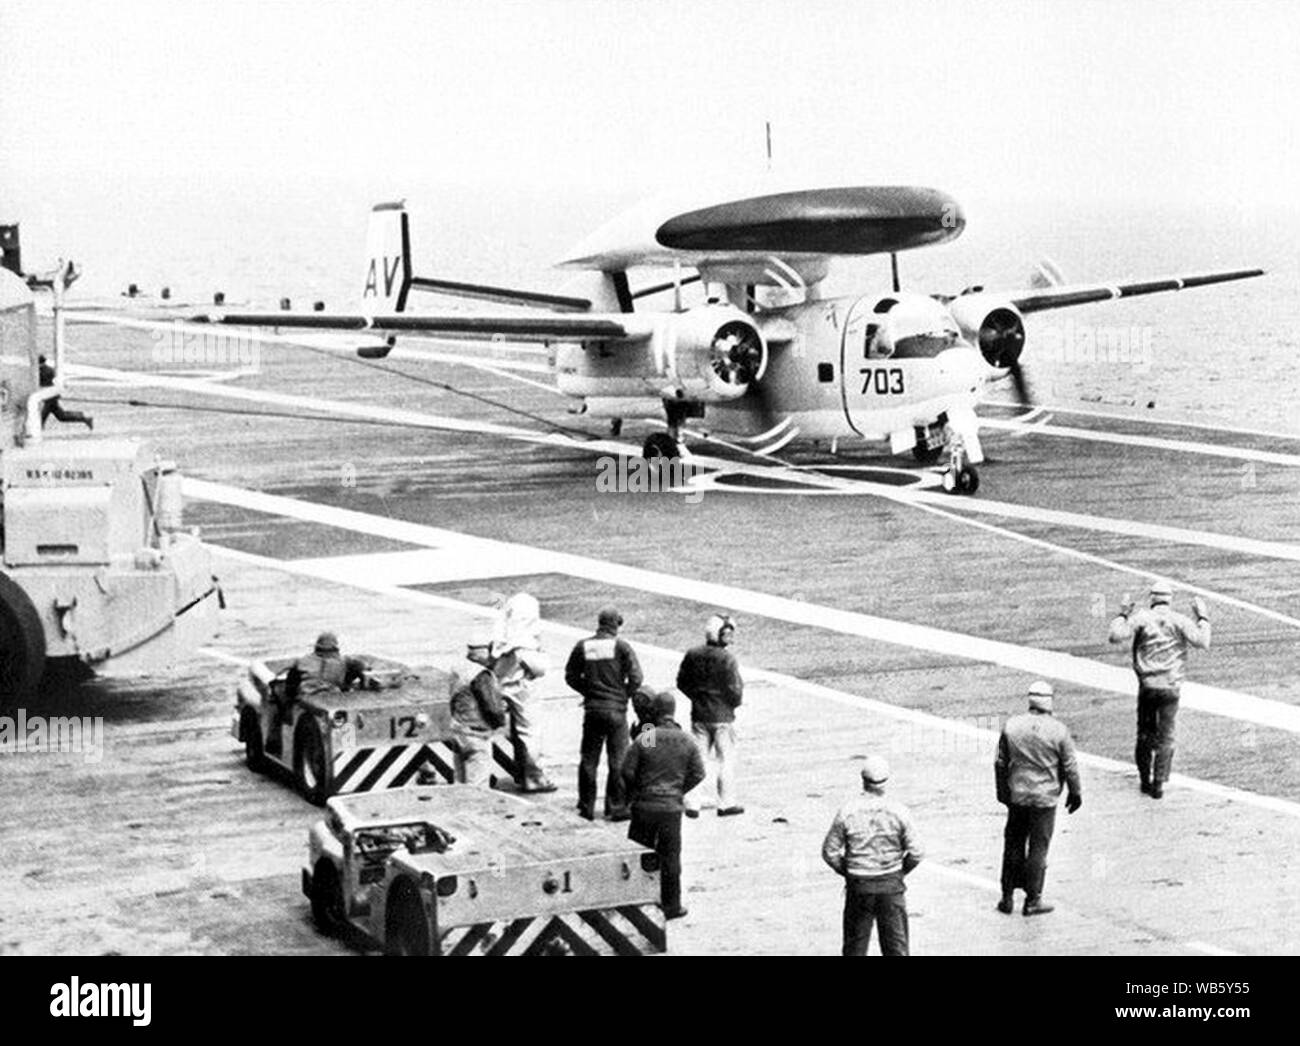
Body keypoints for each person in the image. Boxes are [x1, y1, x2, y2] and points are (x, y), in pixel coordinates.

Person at [1108, 581, 1211, 799]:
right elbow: (1203, 641)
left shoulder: (1142, 618)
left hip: (1147, 685)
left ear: (1151, 598)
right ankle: (1159, 782)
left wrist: (1122, 614)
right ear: (1170, 599)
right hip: (1171, 686)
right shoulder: (1180, 621)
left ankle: (1144, 778)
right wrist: (1203, 617)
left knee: (1144, 735)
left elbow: (1116, 635)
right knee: (1166, 736)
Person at [994, 681, 1082, 916]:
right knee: (1038, 848)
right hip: (1045, 798)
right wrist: (1076, 792)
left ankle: (1007, 896)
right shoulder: (1058, 730)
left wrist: (1002, 792)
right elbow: (1070, 766)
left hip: (1018, 794)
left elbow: (1000, 762)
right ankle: (1033, 899)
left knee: (1013, 843)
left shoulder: (1012, 726)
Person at [821, 755, 924, 956]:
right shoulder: (899, 812)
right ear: (887, 782)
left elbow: (829, 852)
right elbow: (917, 853)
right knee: (896, 947)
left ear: (864, 781)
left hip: (859, 885)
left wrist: (849, 871)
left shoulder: (847, 812)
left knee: (855, 947)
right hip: (890, 885)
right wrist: (899, 871)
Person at [620, 689, 704, 920]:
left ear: (655, 712)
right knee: (671, 858)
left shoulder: (648, 736)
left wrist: (639, 789)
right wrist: (678, 790)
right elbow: (699, 773)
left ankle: (639, 901)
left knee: (641, 853)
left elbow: (626, 770)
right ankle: (672, 905)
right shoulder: (685, 739)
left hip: (645, 805)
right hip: (671, 808)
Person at [565, 606, 643, 821]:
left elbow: (571, 676)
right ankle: (616, 806)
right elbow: (637, 678)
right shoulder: (622, 647)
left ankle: (586, 806)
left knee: (589, 759)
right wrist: (622, 695)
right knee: (618, 759)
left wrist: (588, 691)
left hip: (593, 709)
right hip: (616, 710)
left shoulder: (584, 646)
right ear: (616, 625)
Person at [676, 613, 744, 817]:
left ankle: (692, 803)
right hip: (723, 715)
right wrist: (732, 704)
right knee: (726, 760)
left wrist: (697, 698)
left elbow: (682, 682)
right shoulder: (727, 658)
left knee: (699, 760)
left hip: (700, 713)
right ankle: (726, 803)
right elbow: (734, 690)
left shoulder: (693, 654)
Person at [492, 593, 557, 793]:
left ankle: (522, 771)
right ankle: (535, 778)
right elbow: (541, 669)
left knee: (515, 734)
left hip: (502, 685)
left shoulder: (504, 638)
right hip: (523, 689)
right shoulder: (525, 643)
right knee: (529, 733)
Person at [273, 632, 366, 753]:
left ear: (317, 646)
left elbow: (291, 686)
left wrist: (288, 704)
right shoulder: (344, 662)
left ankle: (278, 736)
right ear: (335, 647)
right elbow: (361, 667)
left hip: (307, 696)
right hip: (332, 696)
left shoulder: (302, 661)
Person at [448, 632, 507, 787]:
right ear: (484, 652)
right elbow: (492, 707)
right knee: (478, 784)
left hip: (458, 729)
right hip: (476, 733)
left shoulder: (458, 668)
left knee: (459, 781)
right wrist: (500, 722)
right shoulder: (481, 675)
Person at [37, 355, 93, 430]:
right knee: (61, 416)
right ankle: (83, 417)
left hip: (49, 397)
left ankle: (37, 429)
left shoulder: (42, 371)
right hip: (52, 395)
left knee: (43, 417)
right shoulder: (49, 370)